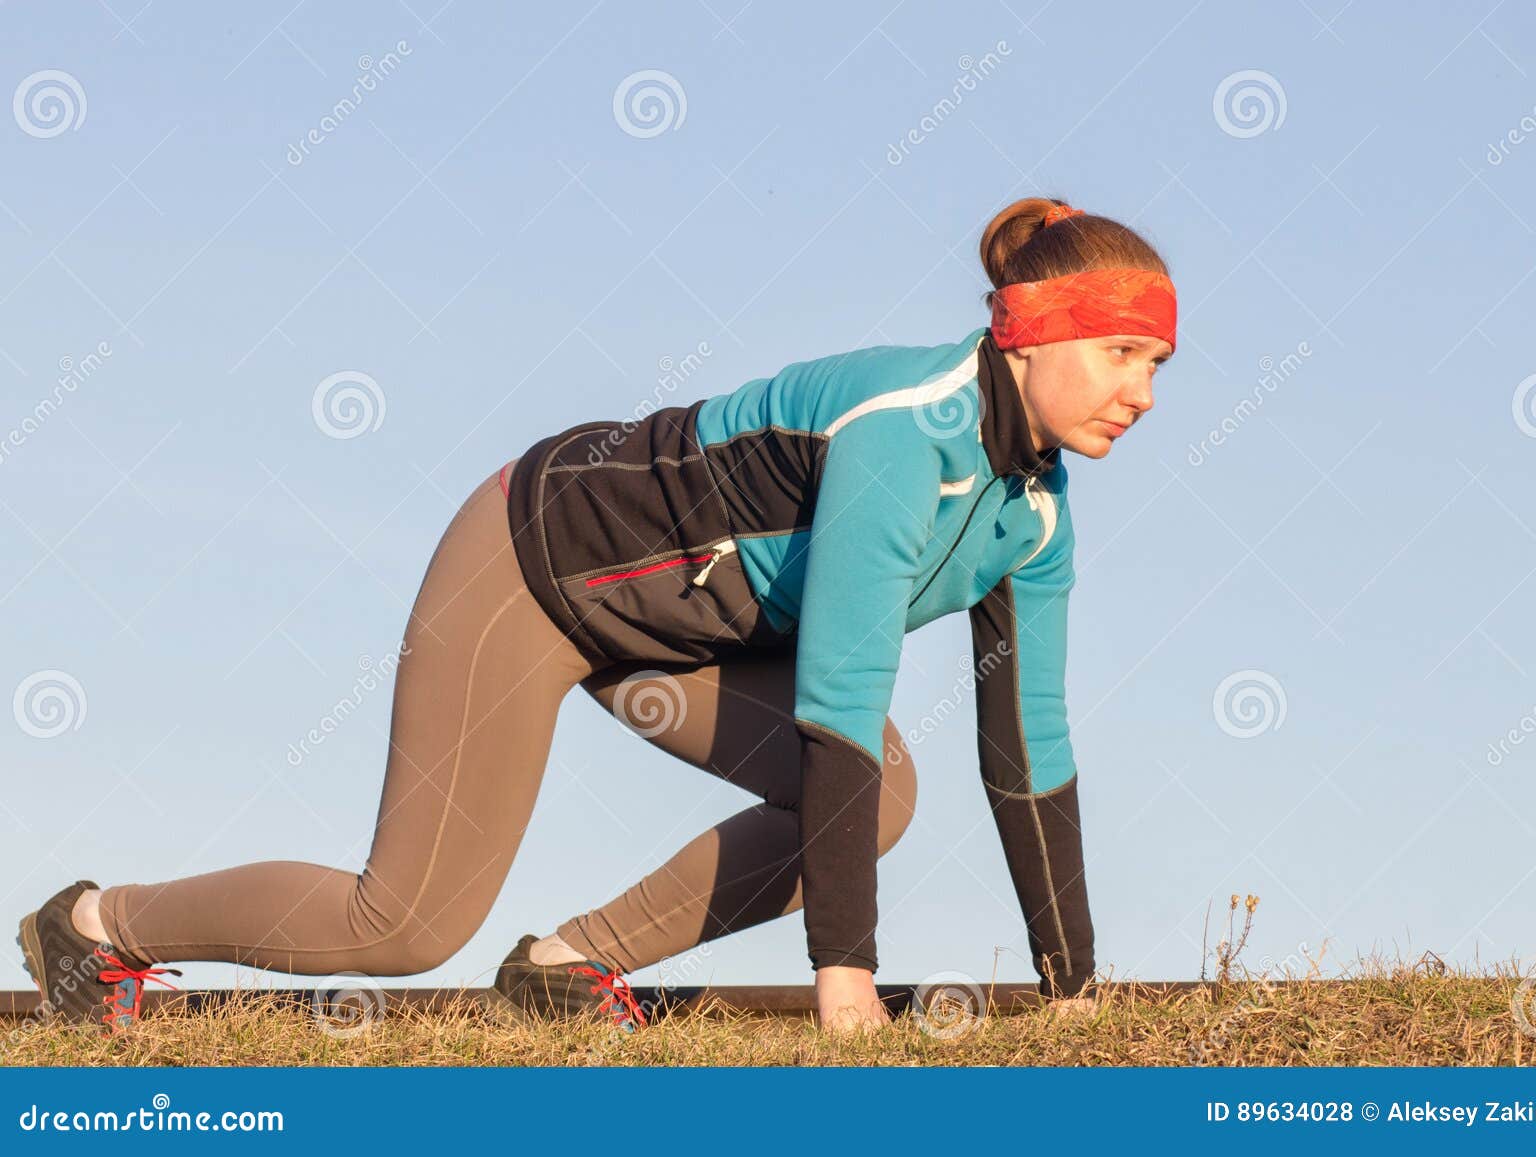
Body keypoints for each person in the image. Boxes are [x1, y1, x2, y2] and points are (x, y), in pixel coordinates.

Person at [18, 195, 1176, 1036]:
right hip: (535, 567)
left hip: (676, 635)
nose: (1143, 391)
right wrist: (845, 976)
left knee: (885, 793)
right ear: (1030, 333)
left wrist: (1071, 987)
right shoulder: (901, 430)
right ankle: (94, 924)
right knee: (404, 924)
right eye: (1122, 353)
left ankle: (566, 967)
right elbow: (841, 686)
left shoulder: (1035, 514)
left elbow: (1026, 744)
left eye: (1159, 364)